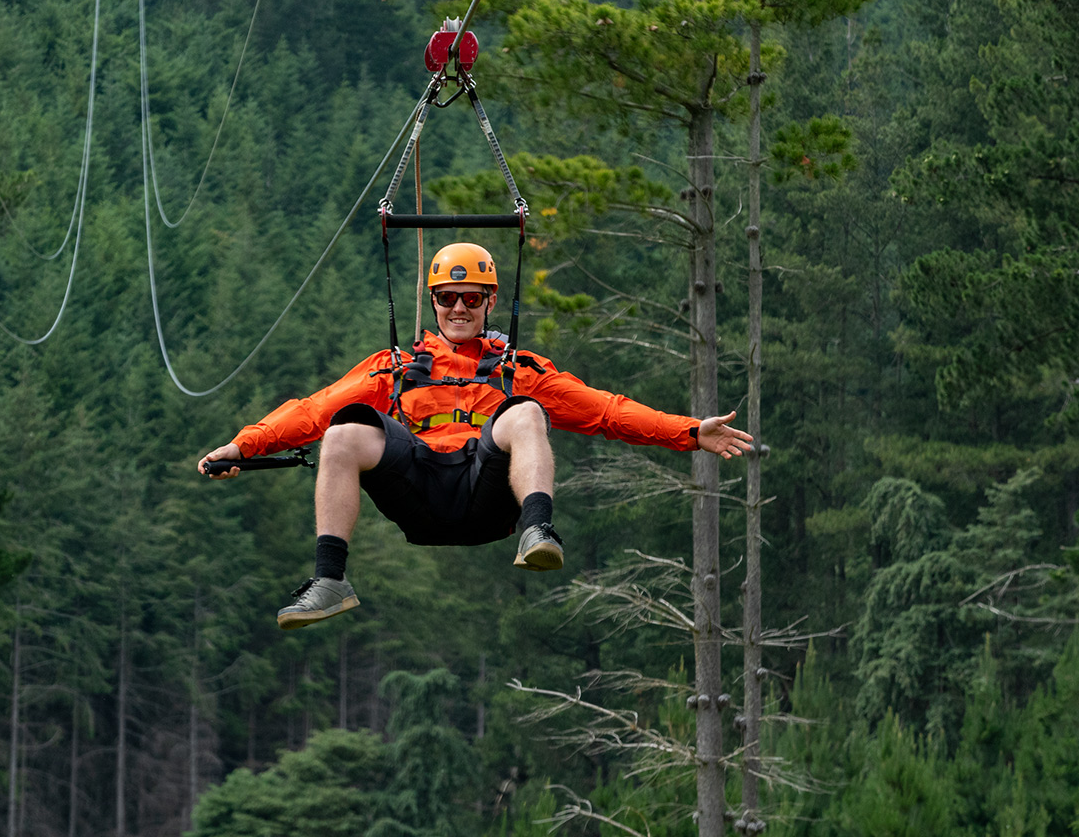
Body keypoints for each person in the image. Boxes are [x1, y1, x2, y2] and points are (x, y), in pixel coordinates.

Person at [198, 241, 752, 629]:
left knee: (526, 412)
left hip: (484, 496)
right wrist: (244, 446)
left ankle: (538, 531)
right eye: (447, 298)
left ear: (490, 302)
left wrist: (688, 431)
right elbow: (312, 411)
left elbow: (607, 410)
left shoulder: (522, 368)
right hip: (419, 492)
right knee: (342, 432)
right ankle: (329, 581)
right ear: (433, 302)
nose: (458, 308)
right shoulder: (394, 365)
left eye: (471, 298)